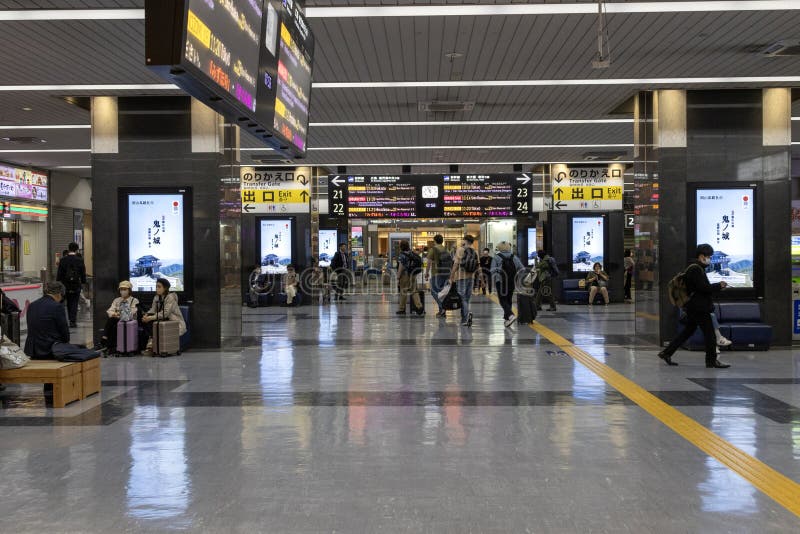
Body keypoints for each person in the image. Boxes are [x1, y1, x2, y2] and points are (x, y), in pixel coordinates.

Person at [658, 244, 730, 369]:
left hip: (693, 306)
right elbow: (703, 288)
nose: (710, 259)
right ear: (702, 256)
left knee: (688, 331)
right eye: (709, 257)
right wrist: (719, 285)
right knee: (710, 335)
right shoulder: (696, 269)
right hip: (699, 307)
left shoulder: (695, 268)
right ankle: (711, 361)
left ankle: (666, 352)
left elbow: (700, 288)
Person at [24, 282, 70, 359]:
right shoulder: (57, 306)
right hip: (51, 349)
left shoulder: (32, 305)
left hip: (33, 350)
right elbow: (64, 331)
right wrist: (66, 344)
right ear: (59, 294)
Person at [142, 278, 187, 355]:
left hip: (173, 321)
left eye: (159, 287)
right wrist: (146, 315)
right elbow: (153, 310)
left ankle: (152, 343)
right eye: (156, 286)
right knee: (145, 320)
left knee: (151, 320)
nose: (157, 289)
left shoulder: (170, 297)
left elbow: (165, 313)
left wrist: (150, 318)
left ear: (165, 288)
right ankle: (153, 342)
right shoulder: (156, 297)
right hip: (163, 319)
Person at [491, 241, 525, 327]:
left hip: (501, 282)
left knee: (502, 300)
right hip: (511, 282)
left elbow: (492, 270)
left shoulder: (497, 257)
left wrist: (495, 278)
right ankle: (507, 319)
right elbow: (522, 269)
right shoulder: (514, 257)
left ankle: (510, 315)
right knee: (508, 299)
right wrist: (517, 278)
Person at [100, 281, 140, 351]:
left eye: (125, 289)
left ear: (129, 290)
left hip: (129, 321)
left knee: (112, 320)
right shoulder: (117, 300)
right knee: (113, 323)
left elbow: (132, 312)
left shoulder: (134, 300)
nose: (123, 291)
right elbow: (110, 310)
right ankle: (110, 346)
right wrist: (115, 314)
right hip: (117, 320)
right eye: (121, 289)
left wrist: (118, 314)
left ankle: (104, 339)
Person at [56, 242, 86, 328]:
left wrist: (60, 282)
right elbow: (83, 273)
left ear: (68, 249)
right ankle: (73, 321)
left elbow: (59, 274)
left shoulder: (63, 260)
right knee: (74, 302)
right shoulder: (79, 260)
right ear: (76, 249)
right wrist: (83, 282)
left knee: (67, 302)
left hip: (66, 285)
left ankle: (67, 319)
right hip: (76, 284)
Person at [450, 235, 478, 327]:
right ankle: (464, 319)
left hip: (461, 277)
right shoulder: (475, 251)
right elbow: (478, 266)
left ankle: (466, 316)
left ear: (465, 240)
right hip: (472, 277)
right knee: (466, 298)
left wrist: (451, 276)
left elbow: (455, 264)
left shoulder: (460, 250)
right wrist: (481, 279)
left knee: (462, 298)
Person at [425, 234, 452, 318]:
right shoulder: (446, 249)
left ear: (435, 241)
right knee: (442, 293)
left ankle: (443, 308)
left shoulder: (433, 249)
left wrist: (426, 273)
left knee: (434, 292)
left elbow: (428, 262)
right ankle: (441, 311)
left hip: (436, 274)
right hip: (446, 273)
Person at [396, 240, 423, 316]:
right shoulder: (411, 253)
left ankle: (402, 309)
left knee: (403, 291)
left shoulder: (402, 255)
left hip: (405, 275)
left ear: (401, 247)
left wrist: (398, 277)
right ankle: (419, 306)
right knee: (414, 291)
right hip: (413, 274)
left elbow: (401, 267)